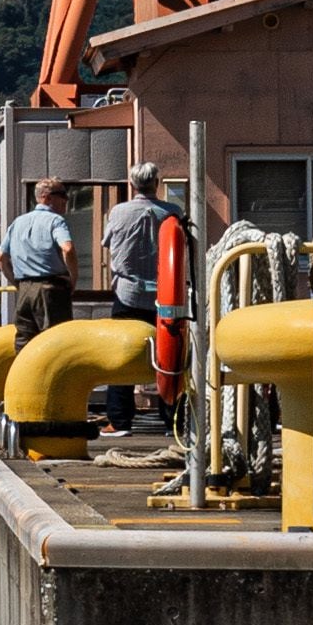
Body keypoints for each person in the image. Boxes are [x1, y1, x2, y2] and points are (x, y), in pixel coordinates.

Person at [99, 161, 179, 431]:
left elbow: (106, 242)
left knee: (121, 357)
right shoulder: (173, 212)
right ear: (156, 183)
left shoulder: (119, 212)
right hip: (167, 295)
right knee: (172, 357)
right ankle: (173, 420)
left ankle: (120, 420)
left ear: (132, 184)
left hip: (128, 292)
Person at [1, 179, 76, 343]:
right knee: (54, 342)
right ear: (46, 197)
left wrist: (18, 284)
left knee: (24, 342)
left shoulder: (17, 223)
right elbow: (67, 248)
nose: (66, 199)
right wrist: (72, 280)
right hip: (50, 289)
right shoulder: (56, 221)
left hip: (25, 289)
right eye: (62, 195)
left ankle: (21, 369)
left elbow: (1, 259)